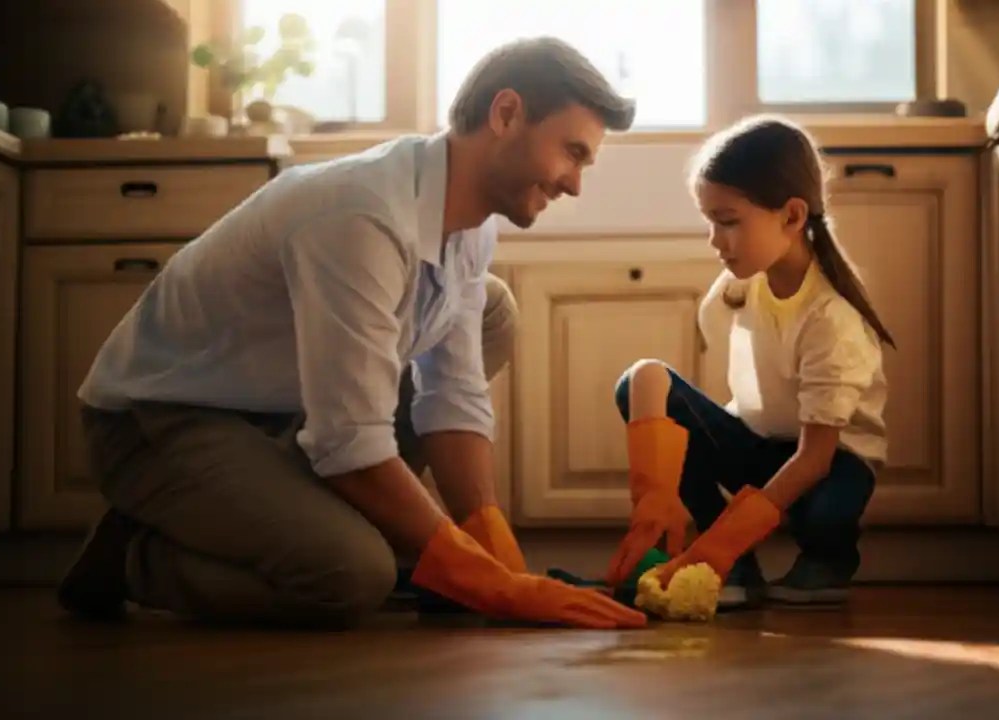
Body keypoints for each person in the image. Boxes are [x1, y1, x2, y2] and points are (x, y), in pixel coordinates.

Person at [57, 37, 647, 631]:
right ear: (506, 114)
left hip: (283, 413)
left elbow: (452, 396)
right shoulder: (360, 215)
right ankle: (134, 555)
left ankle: (314, 523)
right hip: (162, 419)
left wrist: (497, 555)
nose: (574, 184)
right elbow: (351, 442)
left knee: (492, 308)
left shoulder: (470, 227)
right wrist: (494, 588)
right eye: (572, 153)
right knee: (350, 575)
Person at [605, 116, 892, 609]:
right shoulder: (739, 284)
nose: (715, 240)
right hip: (759, 444)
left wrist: (712, 550)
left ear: (792, 216)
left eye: (729, 221)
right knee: (636, 384)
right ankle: (739, 568)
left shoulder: (833, 320)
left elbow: (813, 459)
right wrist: (654, 498)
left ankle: (828, 560)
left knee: (825, 512)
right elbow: (652, 380)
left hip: (828, 463)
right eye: (710, 221)